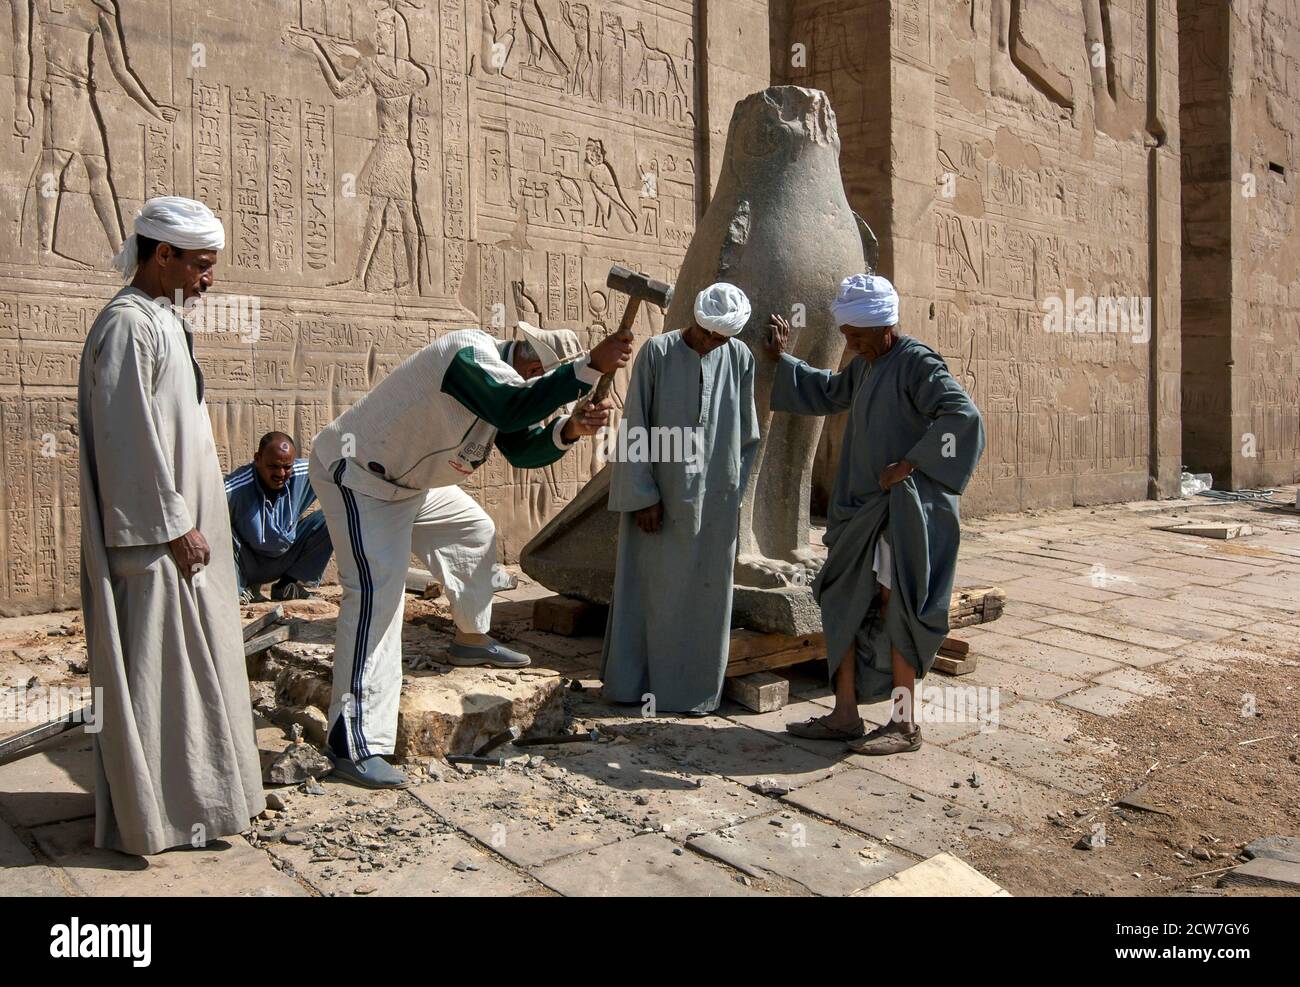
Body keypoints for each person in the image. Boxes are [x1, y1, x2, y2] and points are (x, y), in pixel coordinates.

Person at [309, 321, 628, 787]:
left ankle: (471, 641)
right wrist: (591, 366)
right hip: (359, 479)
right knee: (378, 599)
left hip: (413, 486)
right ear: (522, 354)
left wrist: (570, 429)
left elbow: (522, 447)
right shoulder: (466, 354)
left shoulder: (508, 387)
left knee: (473, 530)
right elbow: (510, 405)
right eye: (536, 371)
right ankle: (353, 744)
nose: (535, 380)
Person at [77, 196, 263, 854]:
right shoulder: (128, 325)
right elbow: (131, 439)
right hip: (156, 544)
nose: (210, 279)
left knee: (193, 682)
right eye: (202, 266)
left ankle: (201, 809)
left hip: (184, 540)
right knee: (162, 687)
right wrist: (175, 525)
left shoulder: (163, 320)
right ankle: (158, 818)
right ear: (163, 255)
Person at [768, 274, 985, 755]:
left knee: (896, 609)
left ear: (886, 326)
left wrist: (910, 463)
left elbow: (962, 417)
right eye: (847, 336)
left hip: (896, 513)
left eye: (857, 336)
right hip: (859, 511)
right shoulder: (866, 366)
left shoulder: (916, 364)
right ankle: (844, 715)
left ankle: (904, 725)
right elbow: (828, 392)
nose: (851, 345)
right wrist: (782, 362)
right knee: (843, 600)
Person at [601, 284, 760, 715]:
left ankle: (692, 693)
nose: (711, 343)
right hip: (660, 496)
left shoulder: (740, 359)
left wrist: (734, 492)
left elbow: (747, 435)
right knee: (649, 588)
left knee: (707, 595)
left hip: (715, 500)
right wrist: (643, 496)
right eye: (707, 333)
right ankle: (635, 685)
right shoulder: (657, 352)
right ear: (694, 321)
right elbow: (636, 426)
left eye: (720, 338)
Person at [224, 432, 333, 603]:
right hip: (245, 563)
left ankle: (287, 586)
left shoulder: (305, 473)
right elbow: (202, 509)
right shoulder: (235, 487)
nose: (281, 473)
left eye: (287, 467)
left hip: (284, 559)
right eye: (273, 466)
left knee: (331, 517)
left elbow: (343, 471)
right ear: (257, 459)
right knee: (217, 527)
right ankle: (238, 590)